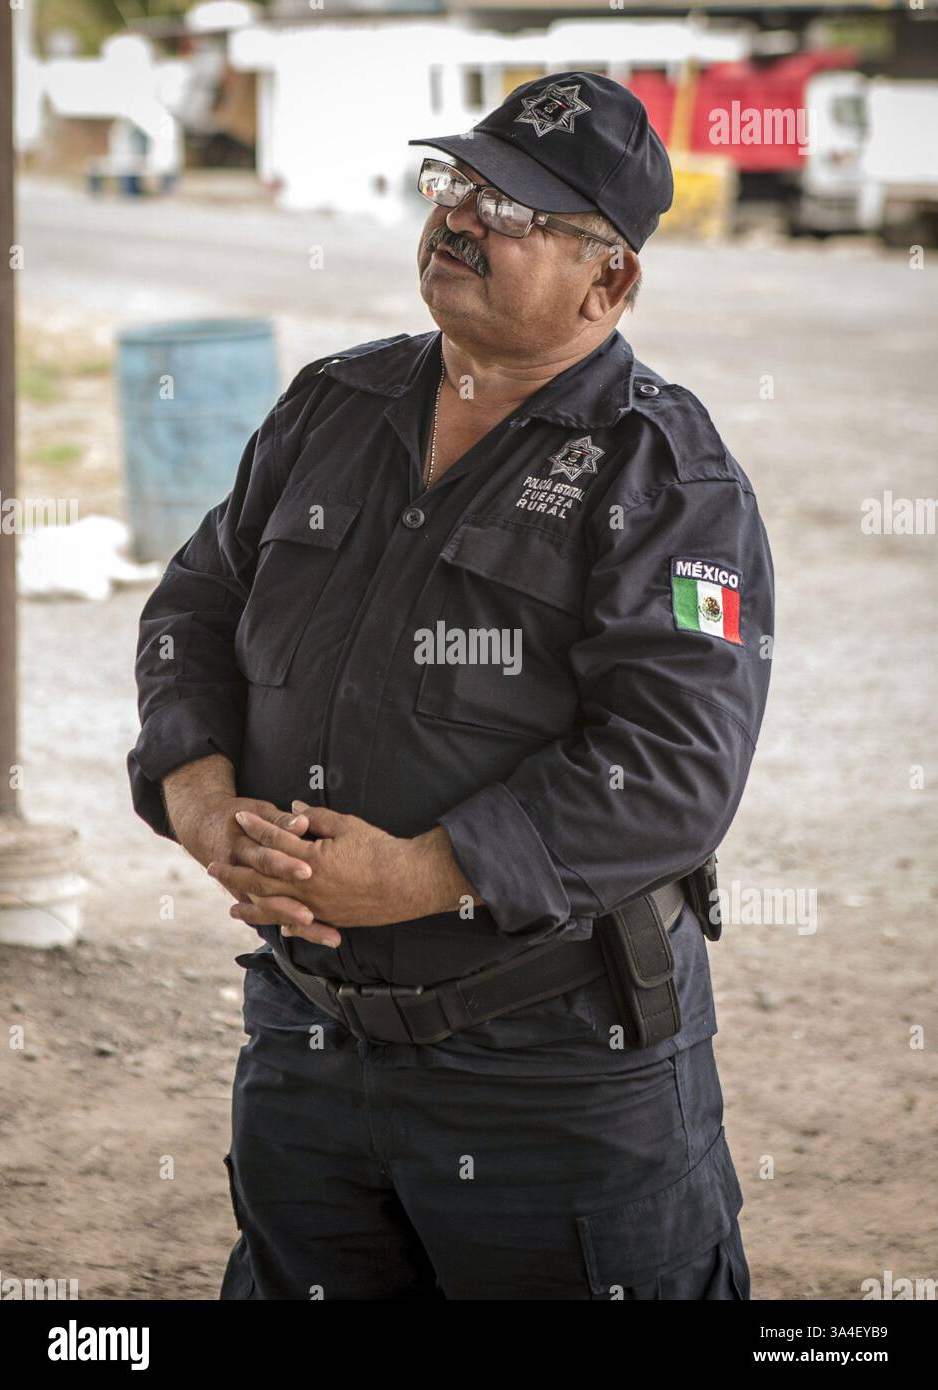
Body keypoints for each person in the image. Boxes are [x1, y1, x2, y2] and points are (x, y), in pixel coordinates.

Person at [129, 72, 774, 1300]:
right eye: (459, 185)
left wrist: (421, 874)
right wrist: (200, 795)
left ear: (610, 280)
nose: (465, 218)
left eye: (520, 210)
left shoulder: (669, 477)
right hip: (308, 1039)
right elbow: (193, 606)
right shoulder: (333, 403)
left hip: (552, 1073)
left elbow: (676, 769)